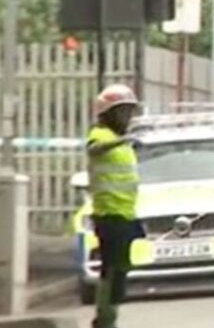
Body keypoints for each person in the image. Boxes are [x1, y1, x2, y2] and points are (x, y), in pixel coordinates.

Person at [85, 84, 145, 328]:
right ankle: (105, 320)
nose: (126, 117)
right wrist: (121, 142)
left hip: (125, 214)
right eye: (121, 112)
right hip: (109, 214)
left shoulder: (122, 142)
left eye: (129, 112)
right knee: (112, 270)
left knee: (120, 270)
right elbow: (93, 149)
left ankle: (109, 316)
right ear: (107, 114)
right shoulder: (101, 135)